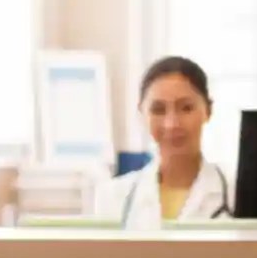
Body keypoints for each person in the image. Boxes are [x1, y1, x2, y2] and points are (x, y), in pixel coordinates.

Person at [95, 56, 231, 227]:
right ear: (142, 114)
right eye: (158, 110)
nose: (172, 124)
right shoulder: (113, 197)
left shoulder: (238, 195)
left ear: (208, 110)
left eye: (186, 108)